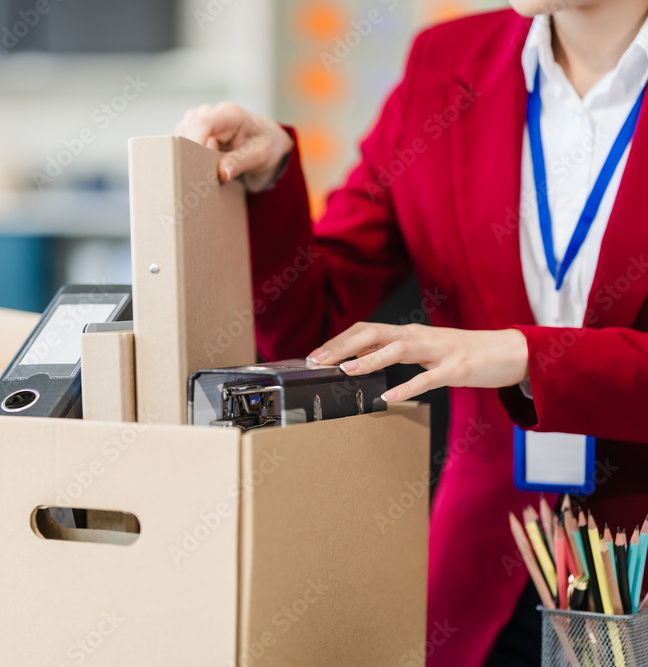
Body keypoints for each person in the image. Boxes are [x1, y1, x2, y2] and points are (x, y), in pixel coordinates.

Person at [177, 1, 648, 665]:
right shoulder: (445, 62)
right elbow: (318, 323)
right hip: (487, 570)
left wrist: (521, 354)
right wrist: (273, 176)